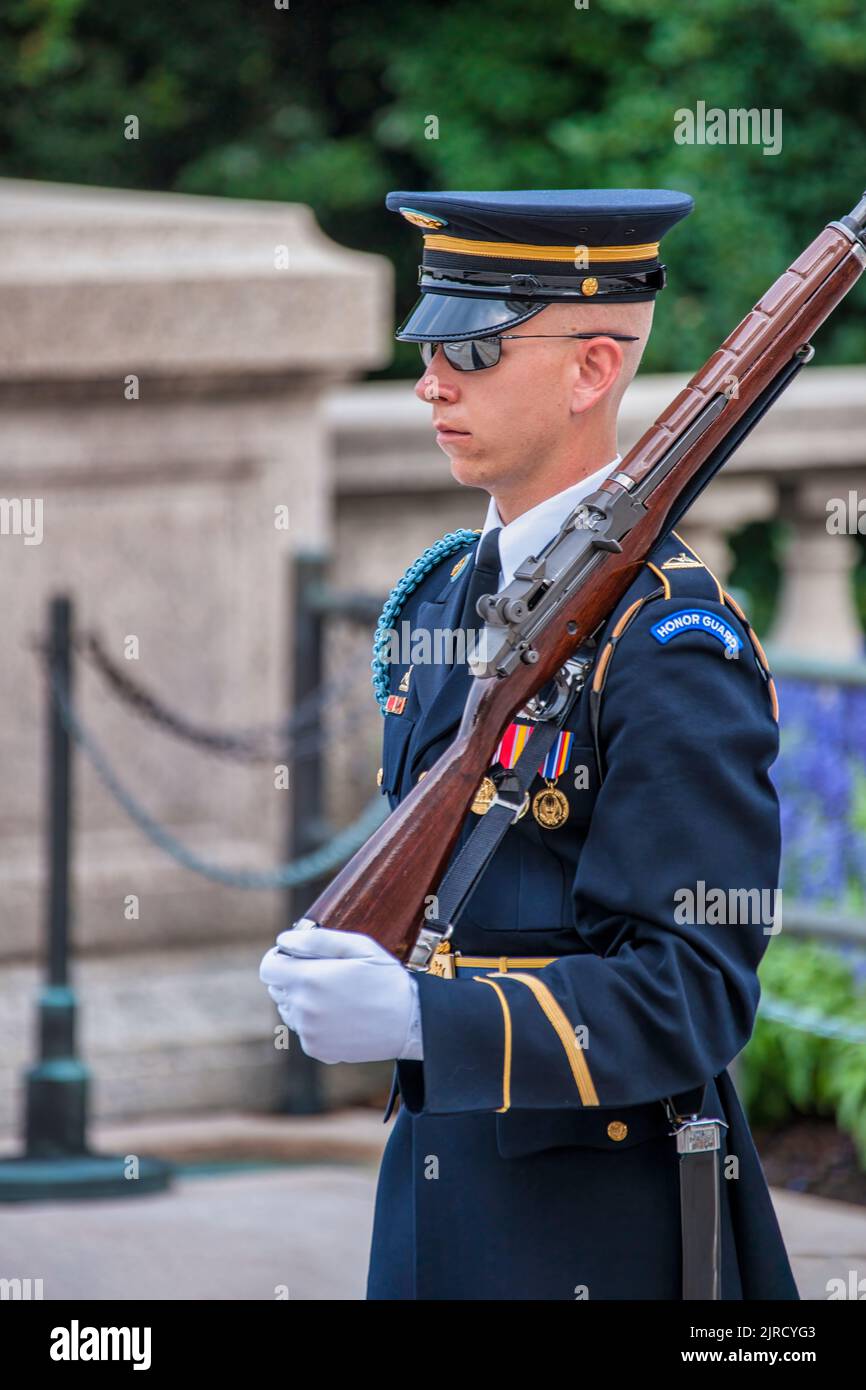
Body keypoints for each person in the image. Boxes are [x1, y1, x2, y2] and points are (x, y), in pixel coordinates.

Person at [260, 189, 799, 1301]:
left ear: (590, 369)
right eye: (427, 348)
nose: (428, 384)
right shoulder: (441, 598)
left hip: (593, 1231)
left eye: (469, 349)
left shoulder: (666, 642)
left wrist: (424, 1017)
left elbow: (691, 994)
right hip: (431, 1190)